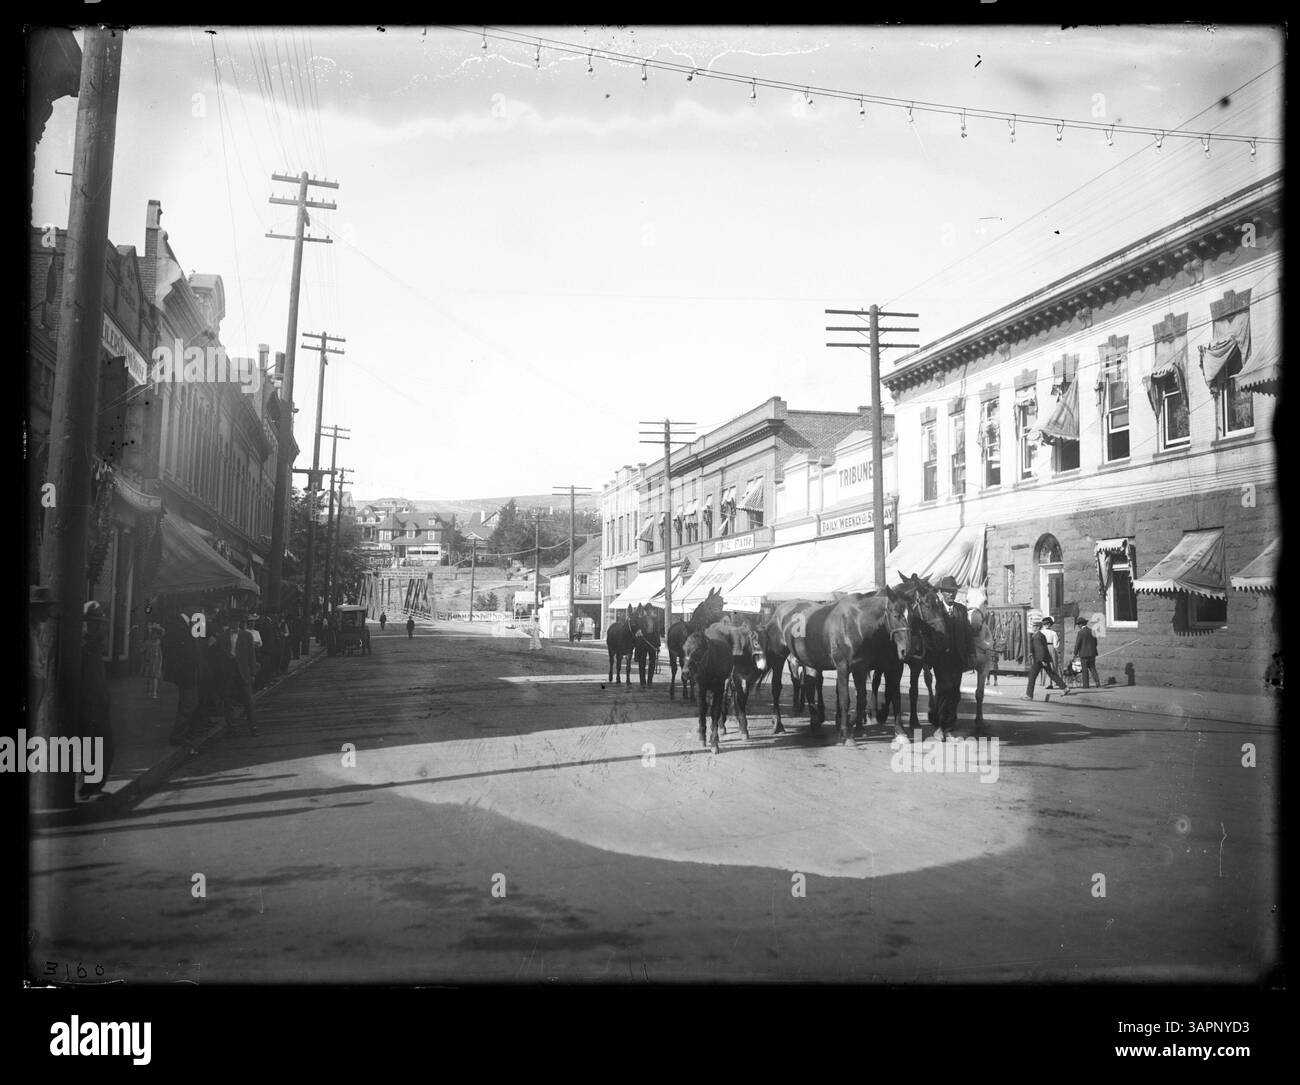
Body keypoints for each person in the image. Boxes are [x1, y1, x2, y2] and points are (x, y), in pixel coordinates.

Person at [77, 602, 114, 798]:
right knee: (91, 747)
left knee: (105, 747)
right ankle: (88, 788)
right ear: (83, 624)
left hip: (100, 704)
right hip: (88, 705)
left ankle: (95, 786)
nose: (97, 627)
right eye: (92, 623)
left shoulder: (95, 645)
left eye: (99, 623)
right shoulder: (81, 647)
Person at [933, 576, 975, 728]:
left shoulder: (961, 610)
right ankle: (939, 723)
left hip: (958, 658)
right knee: (944, 689)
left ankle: (949, 725)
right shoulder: (936, 610)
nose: (951, 594)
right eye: (948, 592)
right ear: (942, 593)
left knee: (955, 692)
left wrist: (971, 654)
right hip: (941, 658)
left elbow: (968, 633)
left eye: (954, 591)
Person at [163, 605, 200, 746]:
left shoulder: (187, 624)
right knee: (188, 704)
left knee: (188, 703)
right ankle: (178, 736)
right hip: (184, 671)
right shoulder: (179, 624)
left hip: (189, 671)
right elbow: (171, 647)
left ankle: (182, 734)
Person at [227, 610, 259, 736]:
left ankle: (253, 726)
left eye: (236, 621)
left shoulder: (247, 636)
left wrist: (252, 673)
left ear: (240, 623)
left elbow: (252, 656)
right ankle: (232, 727)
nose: (234, 623)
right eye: (232, 621)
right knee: (228, 701)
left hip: (243, 672)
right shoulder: (223, 636)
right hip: (229, 672)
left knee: (248, 700)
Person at [1026, 618, 1069, 699]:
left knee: (1032, 676)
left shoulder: (1037, 636)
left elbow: (1040, 649)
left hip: (1039, 660)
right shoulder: (1040, 635)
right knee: (1051, 674)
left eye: (1035, 626)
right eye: (1033, 626)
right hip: (1044, 658)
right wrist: (1032, 653)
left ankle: (1029, 695)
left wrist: (1041, 660)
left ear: (1038, 627)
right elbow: (1042, 647)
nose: (1033, 627)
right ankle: (1065, 687)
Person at [139, 618, 165, 699]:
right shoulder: (148, 642)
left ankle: (154, 692)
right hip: (148, 661)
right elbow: (142, 650)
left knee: (154, 677)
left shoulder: (158, 642)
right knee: (149, 678)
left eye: (155, 634)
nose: (153, 635)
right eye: (152, 633)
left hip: (156, 662)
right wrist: (141, 649)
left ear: (157, 635)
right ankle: (149, 691)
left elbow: (160, 653)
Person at [1073, 617, 1100, 689]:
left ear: (1081, 624)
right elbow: (1095, 643)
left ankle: (1086, 685)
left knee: (1085, 670)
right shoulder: (1092, 631)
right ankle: (1097, 682)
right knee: (1092, 668)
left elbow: (1077, 644)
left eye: (1078, 624)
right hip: (1092, 653)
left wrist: (1075, 653)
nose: (1078, 626)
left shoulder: (1080, 633)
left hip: (1084, 654)